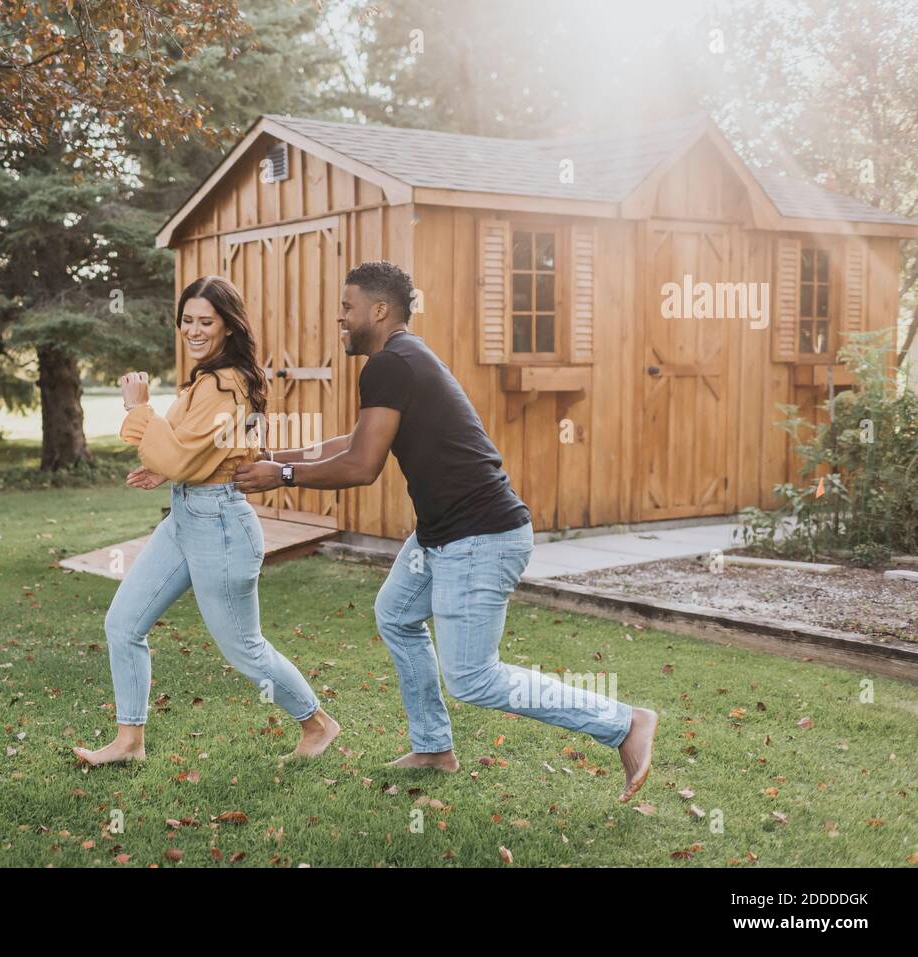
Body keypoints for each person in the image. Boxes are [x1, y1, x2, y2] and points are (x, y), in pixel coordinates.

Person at [233, 260, 657, 801]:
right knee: (397, 616)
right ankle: (433, 747)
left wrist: (283, 475)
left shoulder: (389, 365)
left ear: (378, 310)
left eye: (347, 308)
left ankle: (625, 723)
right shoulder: (405, 357)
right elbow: (354, 440)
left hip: (480, 535)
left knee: (474, 678)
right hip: (443, 534)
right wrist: (277, 458)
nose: (340, 319)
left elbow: (362, 467)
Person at [73, 275, 341, 766]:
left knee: (244, 649)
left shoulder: (224, 383)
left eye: (206, 322)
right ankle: (129, 742)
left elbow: (181, 450)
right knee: (123, 623)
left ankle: (317, 723)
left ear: (228, 327)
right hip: (186, 516)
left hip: (219, 524)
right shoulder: (210, 378)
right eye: (187, 321)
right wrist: (168, 467)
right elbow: (200, 448)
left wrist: (138, 409)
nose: (193, 331)